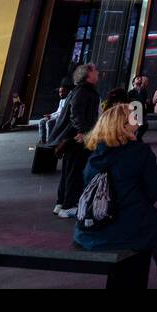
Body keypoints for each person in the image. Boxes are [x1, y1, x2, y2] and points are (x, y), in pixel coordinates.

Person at [73, 104, 157, 280]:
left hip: (89, 232)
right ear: (123, 127)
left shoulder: (94, 157)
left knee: (141, 213)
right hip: (125, 234)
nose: (138, 122)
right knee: (148, 219)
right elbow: (156, 192)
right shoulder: (140, 152)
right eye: (133, 118)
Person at [54, 63, 100, 219]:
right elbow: (77, 113)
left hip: (74, 137)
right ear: (87, 74)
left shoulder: (80, 90)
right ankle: (69, 205)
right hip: (79, 138)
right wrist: (83, 132)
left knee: (69, 170)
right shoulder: (84, 91)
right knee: (75, 171)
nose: (98, 72)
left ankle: (61, 202)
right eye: (95, 71)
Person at [128, 76, 151, 141]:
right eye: (137, 78)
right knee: (136, 127)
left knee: (143, 126)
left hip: (142, 110)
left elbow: (144, 100)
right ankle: (134, 139)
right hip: (134, 111)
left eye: (140, 79)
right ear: (133, 82)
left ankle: (137, 138)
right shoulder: (131, 92)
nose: (139, 79)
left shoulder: (144, 91)